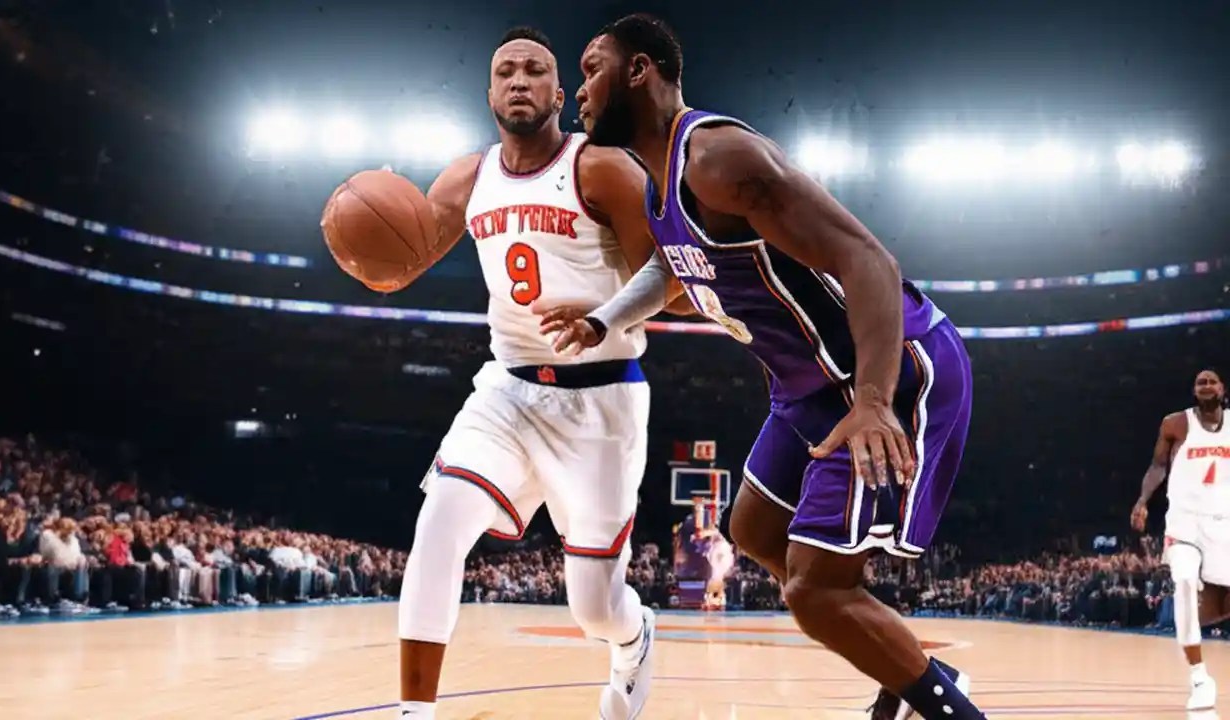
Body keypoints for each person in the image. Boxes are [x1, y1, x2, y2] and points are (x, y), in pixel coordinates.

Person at [544, 14, 983, 720]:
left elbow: (869, 260)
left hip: (884, 368)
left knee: (813, 591)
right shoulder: (660, 187)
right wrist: (605, 317)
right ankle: (914, 669)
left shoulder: (717, 159)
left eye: (591, 67)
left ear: (641, 71)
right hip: (806, 389)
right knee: (750, 531)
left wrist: (872, 399)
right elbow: (672, 267)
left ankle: (949, 709)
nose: (576, 91)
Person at [395, 26, 691, 720]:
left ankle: (635, 636)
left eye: (535, 70)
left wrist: (601, 311)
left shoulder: (601, 167)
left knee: (594, 609)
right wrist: (368, 249)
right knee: (437, 527)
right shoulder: (466, 178)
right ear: (490, 92)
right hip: (508, 390)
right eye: (506, 71)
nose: (520, 80)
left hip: (602, 401)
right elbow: (401, 260)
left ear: (560, 94)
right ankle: (413, 713)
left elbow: (673, 270)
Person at [1131, 368, 1229, 711]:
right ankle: (1199, 677)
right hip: (1184, 523)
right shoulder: (1175, 424)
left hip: (1224, 525)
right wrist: (1143, 501)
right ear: (1194, 390)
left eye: (1212, 381)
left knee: (1218, 606)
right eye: (1200, 382)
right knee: (1184, 582)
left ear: (1223, 389)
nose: (1205, 385)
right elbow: (1158, 466)